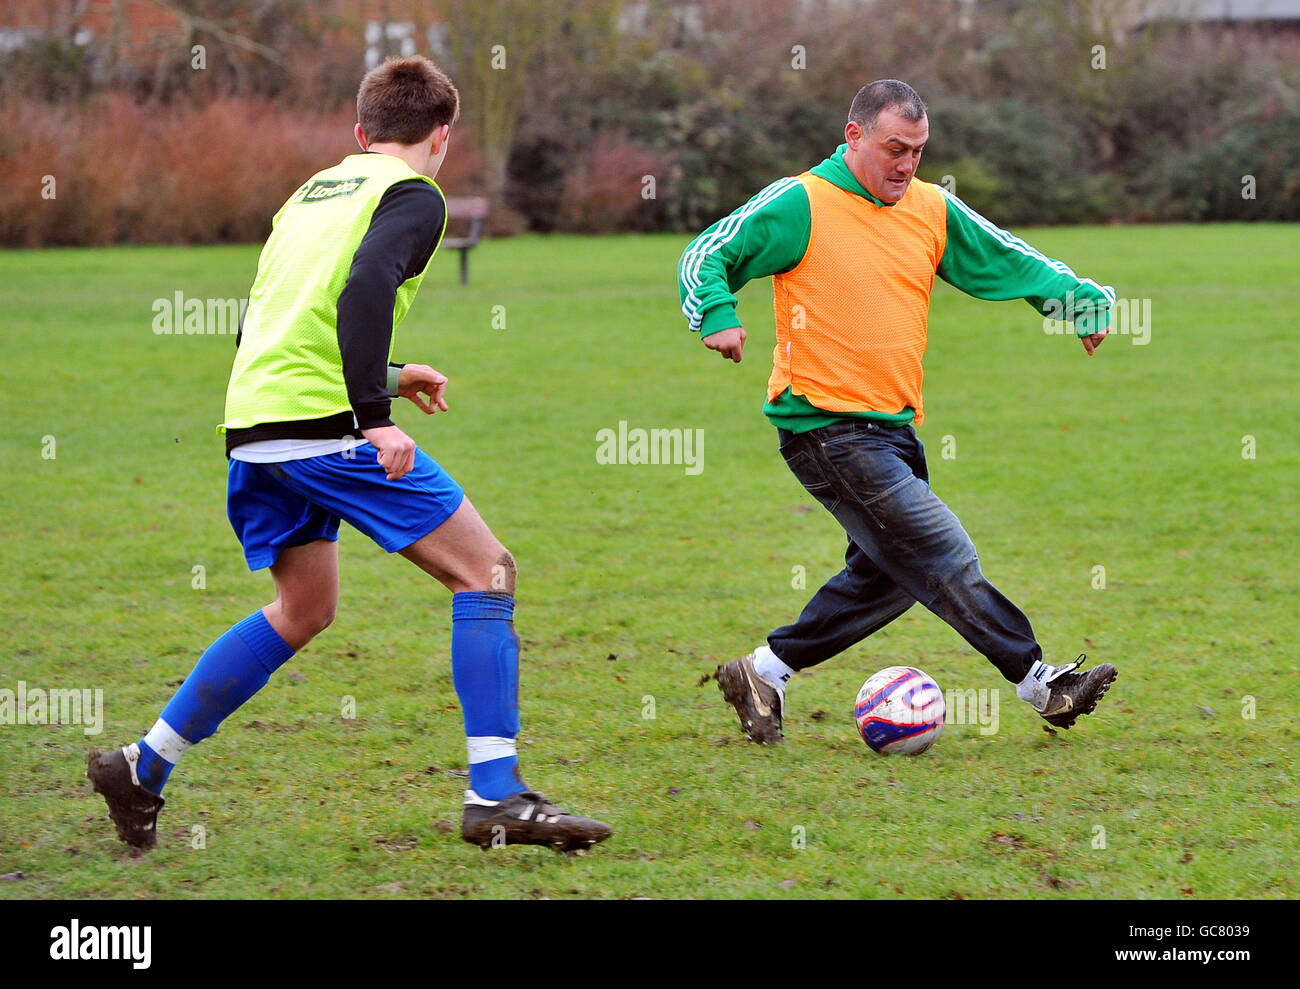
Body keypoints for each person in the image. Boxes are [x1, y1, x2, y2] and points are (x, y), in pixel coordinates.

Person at [88, 56, 611, 853]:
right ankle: (496, 794)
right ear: (442, 136)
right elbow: (366, 288)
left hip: (256, 423)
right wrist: (374, 414)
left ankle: (142, 764)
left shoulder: (310, 196)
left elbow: (277, 321)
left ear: (360, 134)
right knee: (488, 570)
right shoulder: (413, 195)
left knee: (304, 608)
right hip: (326, 426)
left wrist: (394, 377)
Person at [677, 79, 1118, 745]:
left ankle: (762, 672)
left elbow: (1004, 257)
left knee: (893, 573)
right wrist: (717, 311)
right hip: (823, 427)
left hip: (894, 429)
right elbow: (707, 252)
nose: (906, 164)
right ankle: (1041, 682)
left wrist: (1075, 298)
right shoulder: (803, 202)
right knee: (942, 547)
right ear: (853, 136)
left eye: (917, 150)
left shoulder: (930, 209)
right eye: (894, 148)